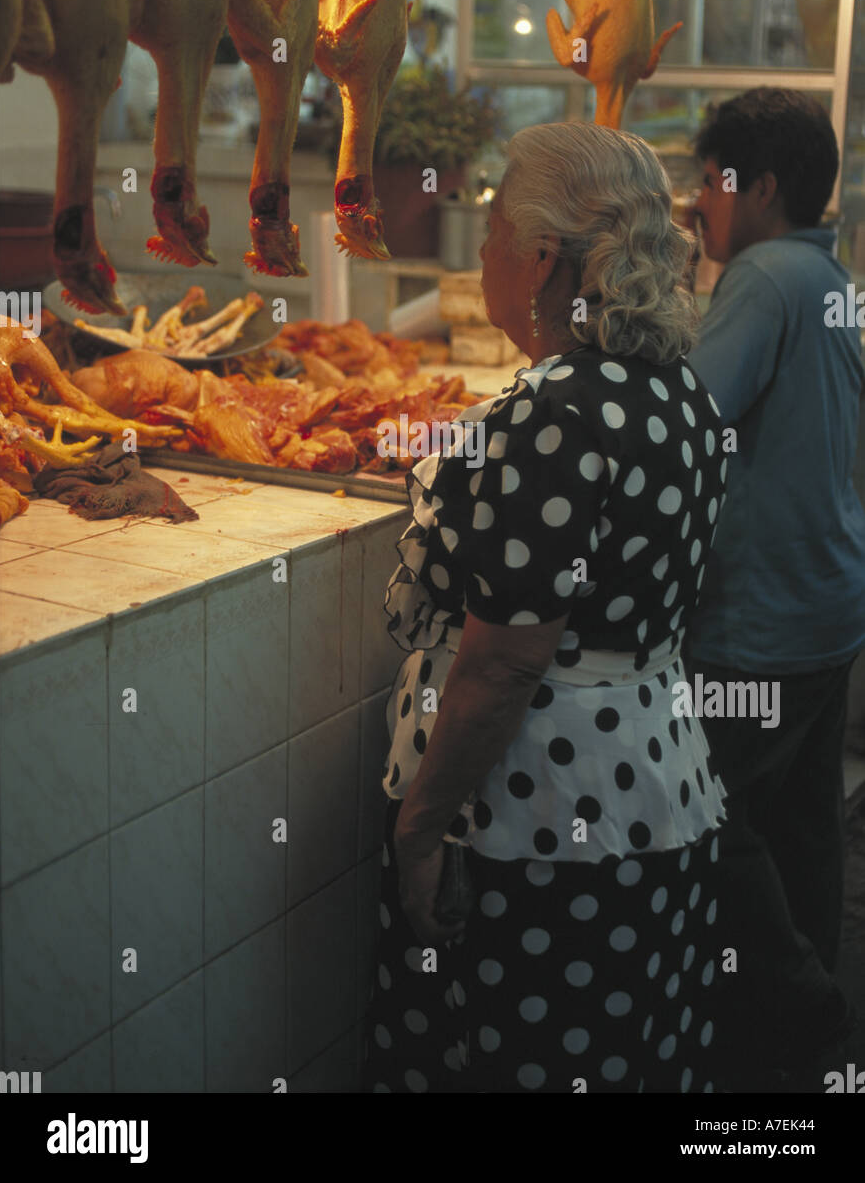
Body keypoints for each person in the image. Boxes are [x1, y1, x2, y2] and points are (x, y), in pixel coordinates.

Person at [362, 120, 729, 1094]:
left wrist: (417, 829)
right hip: (652, 795)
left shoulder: (549, 415)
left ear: (539, 257)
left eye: (487, 233)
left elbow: (502, 663)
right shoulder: (677, 394)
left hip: (538, 820)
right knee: (623, 1052)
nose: (478, 253)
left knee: (514, 1054)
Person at [685, 87, 865, 1089]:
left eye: (708, 183)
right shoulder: (823, 274)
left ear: (757, 186)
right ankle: (804, 1017)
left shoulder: (759, 277)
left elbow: (689, 415)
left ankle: (799, 996)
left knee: (702, 806)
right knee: (798, 813)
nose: (694, 205)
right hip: (830, 599)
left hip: (765, 618)